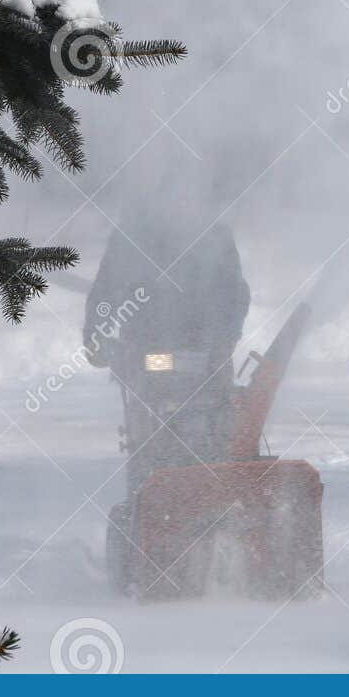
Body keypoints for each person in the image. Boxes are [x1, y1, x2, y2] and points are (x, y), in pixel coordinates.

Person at [83, 194, 251, 482]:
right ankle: (145, 487)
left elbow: (236, 292)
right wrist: (94, 335)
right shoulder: (130, 236)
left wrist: (225, 340)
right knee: (144, 423)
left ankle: (227, 471)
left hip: (206, 349)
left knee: (221, 414)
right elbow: (106, 290)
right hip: (147, 349)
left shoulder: (214, 234)